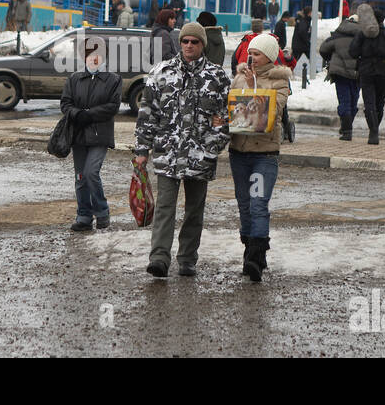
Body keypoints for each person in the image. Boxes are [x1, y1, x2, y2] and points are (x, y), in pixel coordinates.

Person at [135, 23, 231, 278]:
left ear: (203, 45)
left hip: (201, 157)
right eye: (185, 41)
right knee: (165, 207)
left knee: (194, 210)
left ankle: (187, 258)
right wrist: (142, 149)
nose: (189, 45)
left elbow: (224, 118)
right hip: (167, 154)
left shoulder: (217, 76)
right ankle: (159, 258)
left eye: (194, 42)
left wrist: (212, 148)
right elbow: (147, 114)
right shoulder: (161, 72)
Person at [229, 33, 290, 282]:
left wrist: (254, 86)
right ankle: (252, 250)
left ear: (269, 56)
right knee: (244, 204)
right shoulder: (238, 78)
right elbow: (232, 109)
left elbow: (270, 113)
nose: (251, 57)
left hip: (264, 153)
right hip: (239, 152)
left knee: (258, 203)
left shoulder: (279, 81)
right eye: (250, 53)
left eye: (257, 53)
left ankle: (254, 257)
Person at [61, 39, 123, 232]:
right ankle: (84, 216)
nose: (93, 58)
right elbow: (65, 103)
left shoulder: (113, 79)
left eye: (97, 54)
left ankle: (102, 212)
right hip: (78, 135)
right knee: (80, 177)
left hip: (100, 135)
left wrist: (89, 114)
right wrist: (77, 114)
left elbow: (113, 107)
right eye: (89, 54)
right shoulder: (75, 78)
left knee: (90, 172)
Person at [348, 4, 385, 145]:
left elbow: (352, 52)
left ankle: (373, 132)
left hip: (366, 71)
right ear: (383, 20)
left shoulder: (363, 33)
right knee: (379, 104)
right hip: (383, 72)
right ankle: (374, 130)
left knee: (369, 103)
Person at [319, 11, 362, 140]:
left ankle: (346, 130)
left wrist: (330, 59)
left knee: (344, 101)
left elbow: (323, 49)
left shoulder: (339, 34)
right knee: (353, 101)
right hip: (357, 73)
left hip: (340, 73)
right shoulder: (363, 37)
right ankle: (346, 126)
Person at [291, 5, 313, 74]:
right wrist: (307, 41)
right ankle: (288, 71)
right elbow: (302, 31)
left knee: (311, 57)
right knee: (293, 60)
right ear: (309, 13)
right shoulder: (303, 20)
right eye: (311, 12)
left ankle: (315, 71)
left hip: (302, 45)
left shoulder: (304, 19)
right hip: (300, 45)